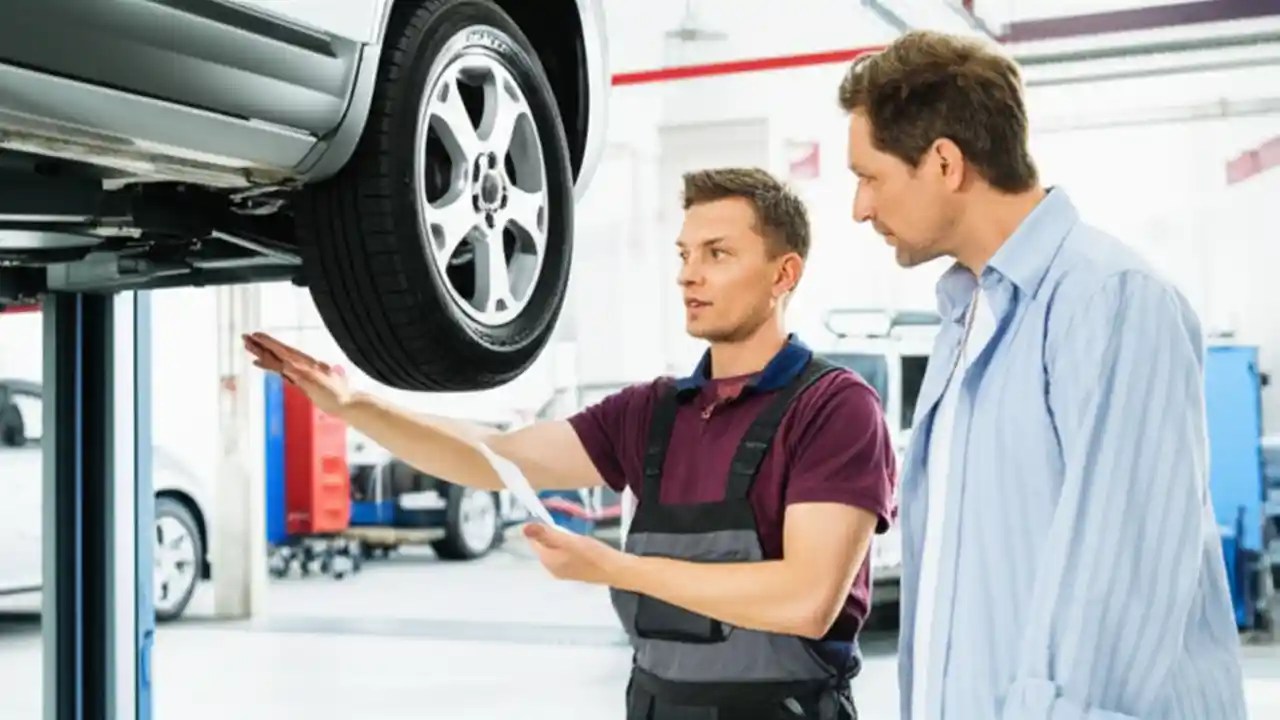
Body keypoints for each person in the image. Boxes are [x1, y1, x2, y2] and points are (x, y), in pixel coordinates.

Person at [245, 167, 897, 719]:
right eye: (684, 254)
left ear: (785, 274)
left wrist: (612, 567)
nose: (688, 276)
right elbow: (497, 456)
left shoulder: (834, 410)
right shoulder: (653, 412)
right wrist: (356, 404)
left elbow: (806, 601)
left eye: (717, 254)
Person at [836, 30, 1248, 720]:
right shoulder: (967, 316)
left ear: (944, 163)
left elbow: (1122, 584)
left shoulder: (1109, 300)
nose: (860, 208)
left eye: (869, 177)